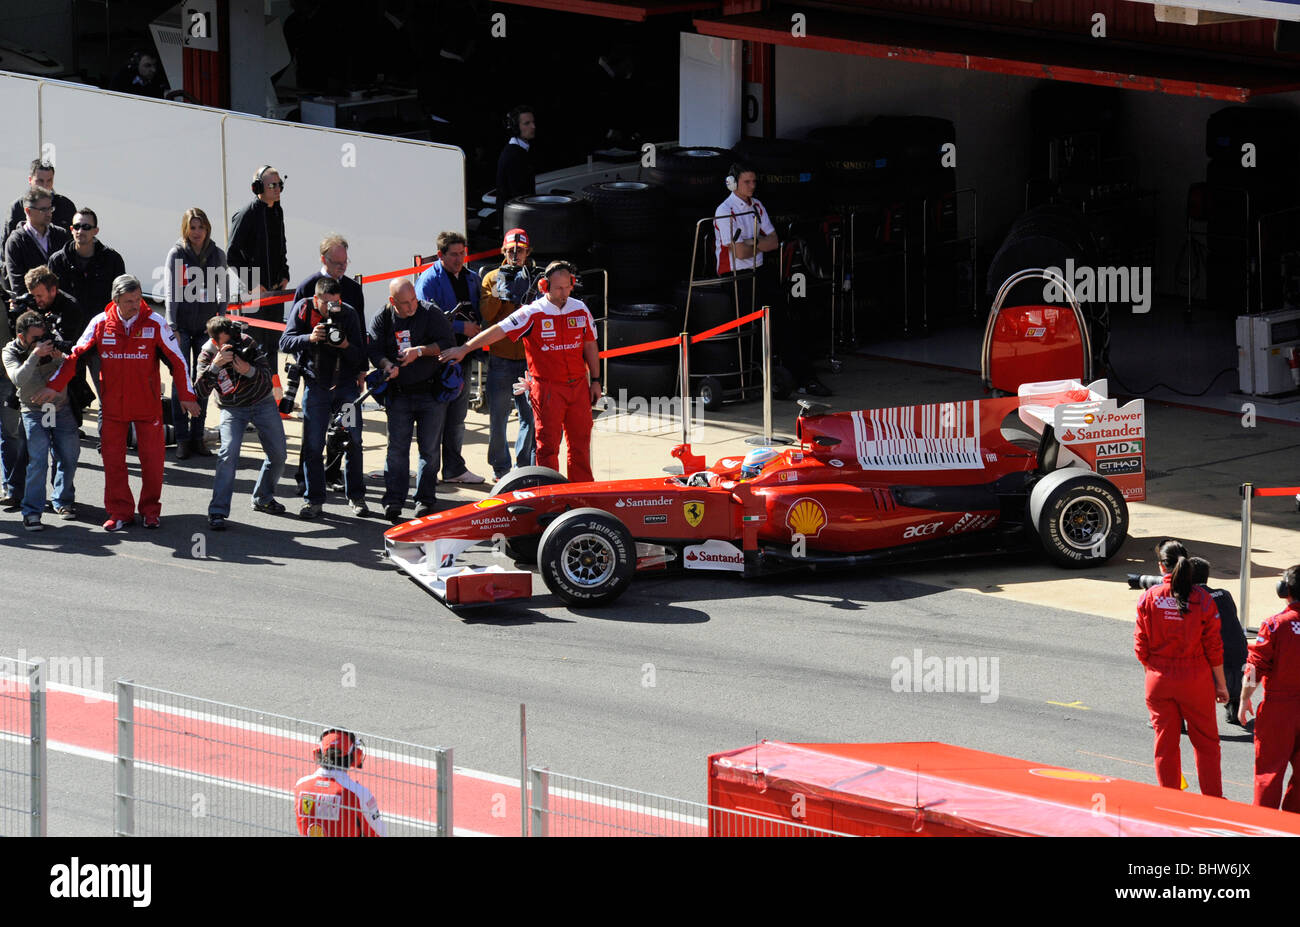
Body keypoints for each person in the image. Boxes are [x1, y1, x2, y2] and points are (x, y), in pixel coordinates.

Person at [37, 275, 199, 531]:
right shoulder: (100, 323)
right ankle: (120, 512)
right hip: (112, 407)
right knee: (113, 463)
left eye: (138, 299)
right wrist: (54, 386)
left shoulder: (155, 323)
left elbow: (178, 361)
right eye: (129, 301)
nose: (135, 305)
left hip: (147, 407)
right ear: (116, 300)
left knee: (153, 463)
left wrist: (187, 396)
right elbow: (74, 357)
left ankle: (150, 511)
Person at [440, 260, 600, 483]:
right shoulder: (532, 312)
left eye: (567, 287)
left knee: (581, 445)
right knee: (546, 449)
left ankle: (582, 496)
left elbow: (590, 344)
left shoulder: (580, 309)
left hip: (578, 387)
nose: (564, 293)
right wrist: (465, 348)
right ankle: (549, 497)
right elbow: (498, 330)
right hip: (547, 389)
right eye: (558, 288)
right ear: (544, 286)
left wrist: (595, 380)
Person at [713, 163, 830, 398]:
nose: (752, 186)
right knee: (747, 329)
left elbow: (774, 241)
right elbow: (739, 253)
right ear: (733, 184)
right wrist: (757, 244)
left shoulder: (757, 205)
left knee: (783, 321)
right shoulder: (725, 210)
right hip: (735, 276)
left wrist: (751, 244)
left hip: (759, 270)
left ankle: (805, 379)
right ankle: (752, 380)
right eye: (747, 182)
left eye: (754, 181)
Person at [1134, 539, 1229, 797]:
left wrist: (1153, 674)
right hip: (1195, 680)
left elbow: (1140, 646)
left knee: (1165, 743)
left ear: (1160, 567)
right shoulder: (1202, 599)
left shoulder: (1148, 598)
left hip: (1158, 678)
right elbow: (1214, 647)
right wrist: (1220, 684)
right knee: (1207, 744)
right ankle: (1213, 801)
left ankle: (1171, 801)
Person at [279, 276, 368, 519]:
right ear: (316, 299)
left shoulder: (348, 314)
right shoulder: (304, 309)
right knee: (313, 444)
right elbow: (285, 342)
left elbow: (361, 355)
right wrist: (310, 338)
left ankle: (357, 497)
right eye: (327, 303)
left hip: (345, 389)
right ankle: (314, 500)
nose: (332, 309)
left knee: (353, 441)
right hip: (316, 387)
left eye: (336, 302)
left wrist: (345, 345)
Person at [369, 279, 454, 523]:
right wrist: (386, 365)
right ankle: (394, 500)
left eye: (413, 300)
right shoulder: (382, 318)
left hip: (431, 393)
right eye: (404, 303)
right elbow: (374, 350)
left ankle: (425, 500)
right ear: (392, 302)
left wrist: (419, 351)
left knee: (428, 450)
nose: (411, 307)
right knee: (396, 449)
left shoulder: (430, 312)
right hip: (399, 393)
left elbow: (448, 344)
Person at [194, 317, 287, 530]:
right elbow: (199, 391)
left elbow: (267, 375)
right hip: (232, 409)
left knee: (279, 455)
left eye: (234, 341)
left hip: (262, 402)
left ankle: (263, 497)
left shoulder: (246, 342)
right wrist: (215, 367)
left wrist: (249, 370)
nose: (233, 347)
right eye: (227, 345)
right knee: (228, 454)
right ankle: (217, 511)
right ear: (215, 342)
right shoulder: (207, 355)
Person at [291, 234, 365, 491]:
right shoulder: (306, 288)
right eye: (337, 263)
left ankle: (334, 476)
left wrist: (362, 368)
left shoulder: (353, 290)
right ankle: (306, 481)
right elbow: (292, 332)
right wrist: (307, 346)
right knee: (313, 436)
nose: (342, 268)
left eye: (345, 262)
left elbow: (360, 331)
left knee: (349, 435)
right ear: (323, 259)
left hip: (345, 378)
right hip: (316, 376)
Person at [415, 230, 484, 485]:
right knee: (435, 418)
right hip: (437, 359)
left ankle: (454, 468)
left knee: (457, 417)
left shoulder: (471, 278)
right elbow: (424, 318)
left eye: (462, 254)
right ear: (441, 255)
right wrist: (460, 328)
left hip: (462, 356)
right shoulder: (428, 280)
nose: (459, 259)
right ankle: (429, 472)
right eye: (453, 254)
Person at [2, 311, 78, 529]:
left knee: (69, 456)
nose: (41, 342)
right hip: (33, 410)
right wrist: (35, 355)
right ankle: (32, 511)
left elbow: (72, 365)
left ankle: (63, 501)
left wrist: (60, 360)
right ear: (21, 336)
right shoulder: (11, 351)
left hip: (60, 408)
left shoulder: (51, 344)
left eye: (42, 337)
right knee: (38, 461)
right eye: (35, 339)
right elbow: (17, 378)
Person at [164, 207, 229, 459]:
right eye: (192, 227)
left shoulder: (217, 254)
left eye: (201, 227)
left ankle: (198, 436)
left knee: (203, 382)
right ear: (185, 229)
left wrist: (219, 322)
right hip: (182, 328)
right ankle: (181, 438)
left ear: (207, 228)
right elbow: (171, 292)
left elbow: (223, 291)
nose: (197, 232)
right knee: (182, 382)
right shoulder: (177, 253)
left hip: (207, 328)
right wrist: (172, 327)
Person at [1238, 565, 1300, 811]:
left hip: (1279, 710)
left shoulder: (1275, 625)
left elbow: (1254, 668)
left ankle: (1264, 828)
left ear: (1284, 590)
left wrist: (1244, 700)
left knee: (1269, 773)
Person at [479, 227, 537, 479]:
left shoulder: (536, 277)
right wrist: (501, 291)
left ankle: (522, 466)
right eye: (511, 250)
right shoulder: (490, 277)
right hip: (500, 359)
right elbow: (487, 316)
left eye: (520, 250)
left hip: (528, 359)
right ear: (503, 251)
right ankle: (500, 468)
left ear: (527, 252)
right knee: (498, 417)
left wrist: (528, 289)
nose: (515, 255)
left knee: (530, 418)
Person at [1187, 556, 1249, 726]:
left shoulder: (1193, 600)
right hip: (1241, 665)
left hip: (1216, 668)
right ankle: (1234, 706)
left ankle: (1178, 716)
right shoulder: (1225, 594)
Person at [292, 728, 386, 837]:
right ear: (354, 756)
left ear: (318, 754)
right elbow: (378, 833)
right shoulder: (359, 793)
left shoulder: (301, 786)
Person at [47, 207, 125, 318]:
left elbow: (121, 298)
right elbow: (50, 298)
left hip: (102, 327)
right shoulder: (57, 261)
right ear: (71, 229)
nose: (80, 231)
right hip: (67, 328)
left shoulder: (113, 260)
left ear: (95, 231)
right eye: (77, 227)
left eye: (86, 227)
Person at [227, 166, 290, 299]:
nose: (278, 189)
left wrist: (285, 275)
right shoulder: (246, 214)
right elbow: (231, 255)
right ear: (258, 188)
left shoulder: (277, 211)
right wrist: (251, 284)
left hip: (276, 292)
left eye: (280, 184)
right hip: (252, 295)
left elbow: (281, 247)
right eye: (273, 185)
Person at [4, 187, 70, 297]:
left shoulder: (61, 235)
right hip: (32, 307)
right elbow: (18, 285)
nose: (49, 213)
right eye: (43, 210)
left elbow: (69, 275)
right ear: (28, 211)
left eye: (50, 208)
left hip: (61, 305)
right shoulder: (15, 242)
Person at [3, 160, 76, 246]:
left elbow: (73, 243)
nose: (45, 186)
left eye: (49, 181)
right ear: (30, 180)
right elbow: (6, 247)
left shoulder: (66, 206)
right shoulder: (17, 208)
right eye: (40, 181)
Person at [495, 106, 536, 233]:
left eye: (533, 122)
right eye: (527, 123)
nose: (533, 127)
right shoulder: (513, 155)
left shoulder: (520, 151)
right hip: (514, 224)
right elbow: (518, 195)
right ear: (515, 127)